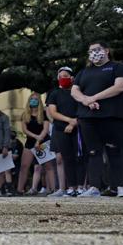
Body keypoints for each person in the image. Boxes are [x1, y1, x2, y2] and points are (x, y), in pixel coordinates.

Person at [72, 41, 123, 197]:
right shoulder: (84, 72)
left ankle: (119, 187)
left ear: (106, 50)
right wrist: (85, 100)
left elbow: (119, 87)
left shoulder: (118, 68)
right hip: (88, 117)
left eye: (97, 49)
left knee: (114, 151)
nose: (94, 53)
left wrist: (94, 97)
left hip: (111, 116)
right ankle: (94, 187)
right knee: (93, 152)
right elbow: (74, 90)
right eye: (91, 50)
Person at [46, 67, 81, 197]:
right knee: (62, 158)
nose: (62, 78)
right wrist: (70, 121)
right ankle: (64, 188)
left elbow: (82, 107)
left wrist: (74, 122)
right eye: (60, 76)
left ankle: (82, 186)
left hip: (77, 129)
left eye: (65, 76)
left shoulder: (77, 92)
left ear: (72, 78)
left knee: (78, 157)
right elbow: (52, 112)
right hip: (60, 129)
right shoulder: (54, 93)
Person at [14, 92, 52, 195]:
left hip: (43, 141)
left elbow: (46, 129)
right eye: (31, 99)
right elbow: (25, 130)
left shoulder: (43, 114)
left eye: (35, 99)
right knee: (24, 166)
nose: (33, 101)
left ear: (39, 101)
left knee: (48, 166)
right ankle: (19, 189)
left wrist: (39, 140)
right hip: (30, 141)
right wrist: (36, 137)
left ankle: (53, 189)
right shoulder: (25, 114)